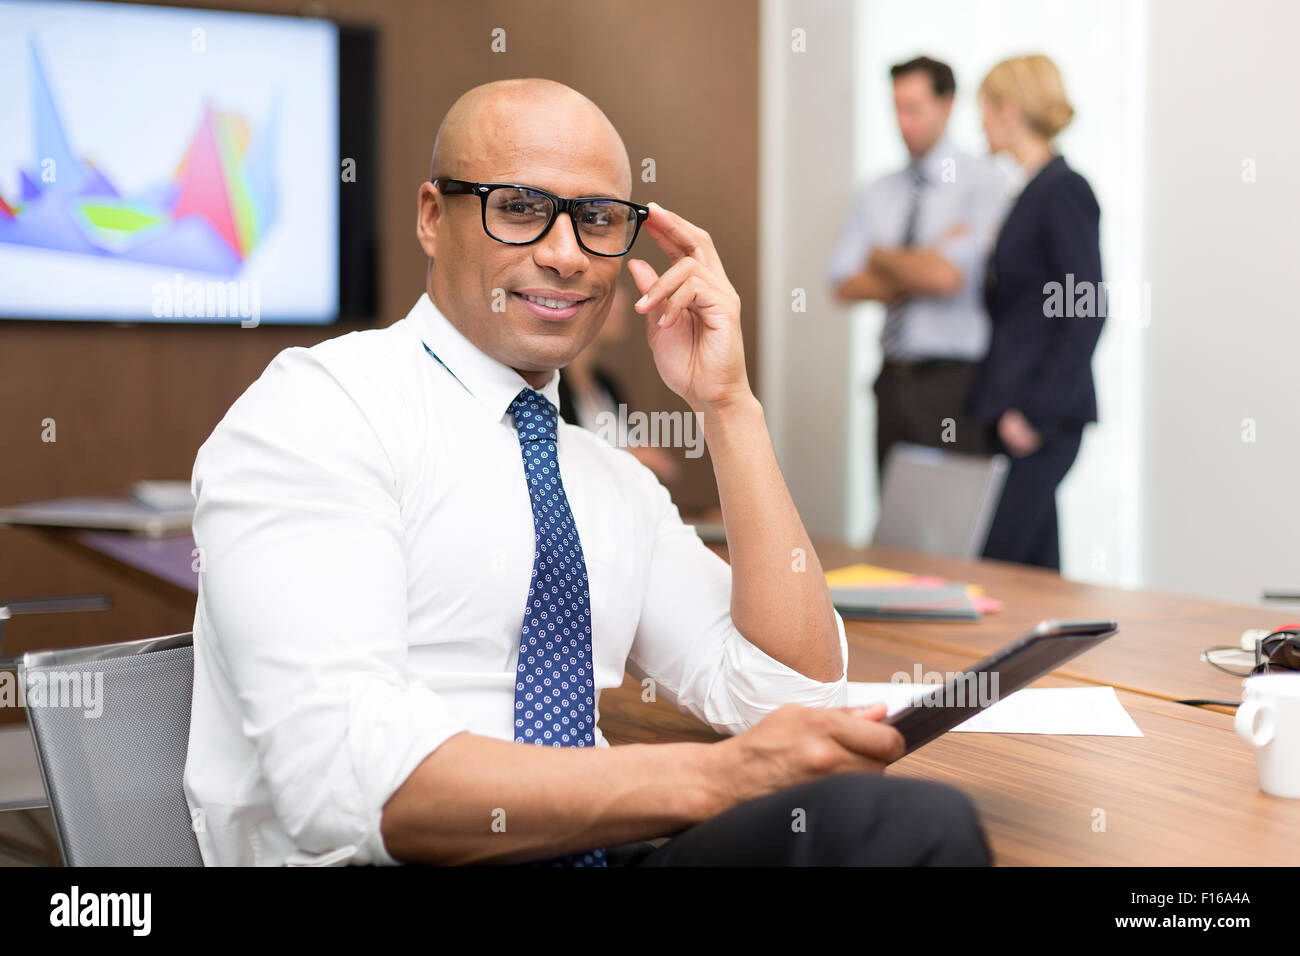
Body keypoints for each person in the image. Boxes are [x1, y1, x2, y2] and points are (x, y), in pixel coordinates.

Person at [183, 78, 990, 867]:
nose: (566, 255)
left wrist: (730, 406)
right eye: (522, 209)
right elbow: (343, 785)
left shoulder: (608, 479)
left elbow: (793, 700)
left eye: (599, 219)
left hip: (591, 851)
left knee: (900, 825)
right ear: (433, 217)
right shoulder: (321, 411)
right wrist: (721, 778)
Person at [828, 55, 1013, 480]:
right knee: (894, 530)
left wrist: (878, 256)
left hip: (954, 387)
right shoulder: (879, 191)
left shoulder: (983, 181)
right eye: (896, 108)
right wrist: (922, 259)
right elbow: (842, 283)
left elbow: (946, 277)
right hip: (891, 383)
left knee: (948, 527)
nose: (902, 122)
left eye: (914, 108)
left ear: (946, 105)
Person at [967, 55, 1104, 571]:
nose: (978, 122)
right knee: (1037, 573)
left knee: (996, 564)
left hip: (1042, 417)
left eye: (983, 108)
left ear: (1008, 110)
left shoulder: (1062, 190)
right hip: (1013, 410)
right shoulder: (1028, 191)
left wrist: (1037, 412)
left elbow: (1086, 310)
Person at [556, 278, 682, 484]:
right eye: (611, 293)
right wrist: (631, 457)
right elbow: (558, 459)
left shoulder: (607, 384)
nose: (623, 302)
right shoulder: (550, 384)